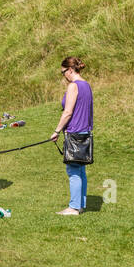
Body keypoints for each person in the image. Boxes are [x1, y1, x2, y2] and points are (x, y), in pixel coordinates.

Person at [49, 56, 94, 215]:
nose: (63, 76)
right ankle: (80, 205)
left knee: (73, 171)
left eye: (63, 73)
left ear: (69, 70)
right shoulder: (86, 85)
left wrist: (56, 131)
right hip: (85, 132)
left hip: (74, 133)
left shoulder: (73, 86)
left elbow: (68, 112)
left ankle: (74, 207)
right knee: (80, 170)